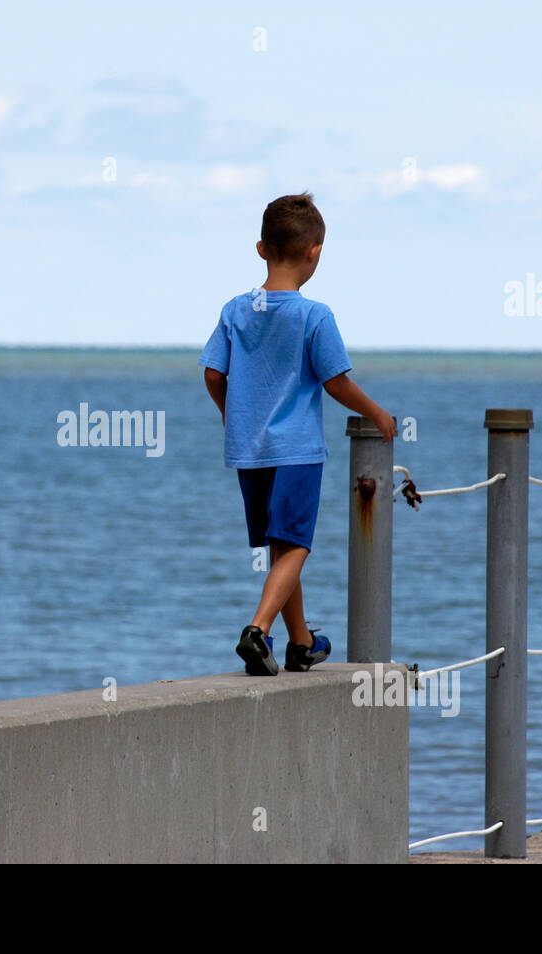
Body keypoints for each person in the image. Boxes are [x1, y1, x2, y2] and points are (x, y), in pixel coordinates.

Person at [199, 192, 395, 675]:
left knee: (280, 545)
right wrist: (378, 414)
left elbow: (211, 375)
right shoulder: (314, 316)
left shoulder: (235, 310)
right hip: (297, 451)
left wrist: (233, 417)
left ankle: (301, 643)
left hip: (250, 451)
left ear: (261, 248)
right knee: (297, 544)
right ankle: (257, 631)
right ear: (315, 253)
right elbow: (335, 382)